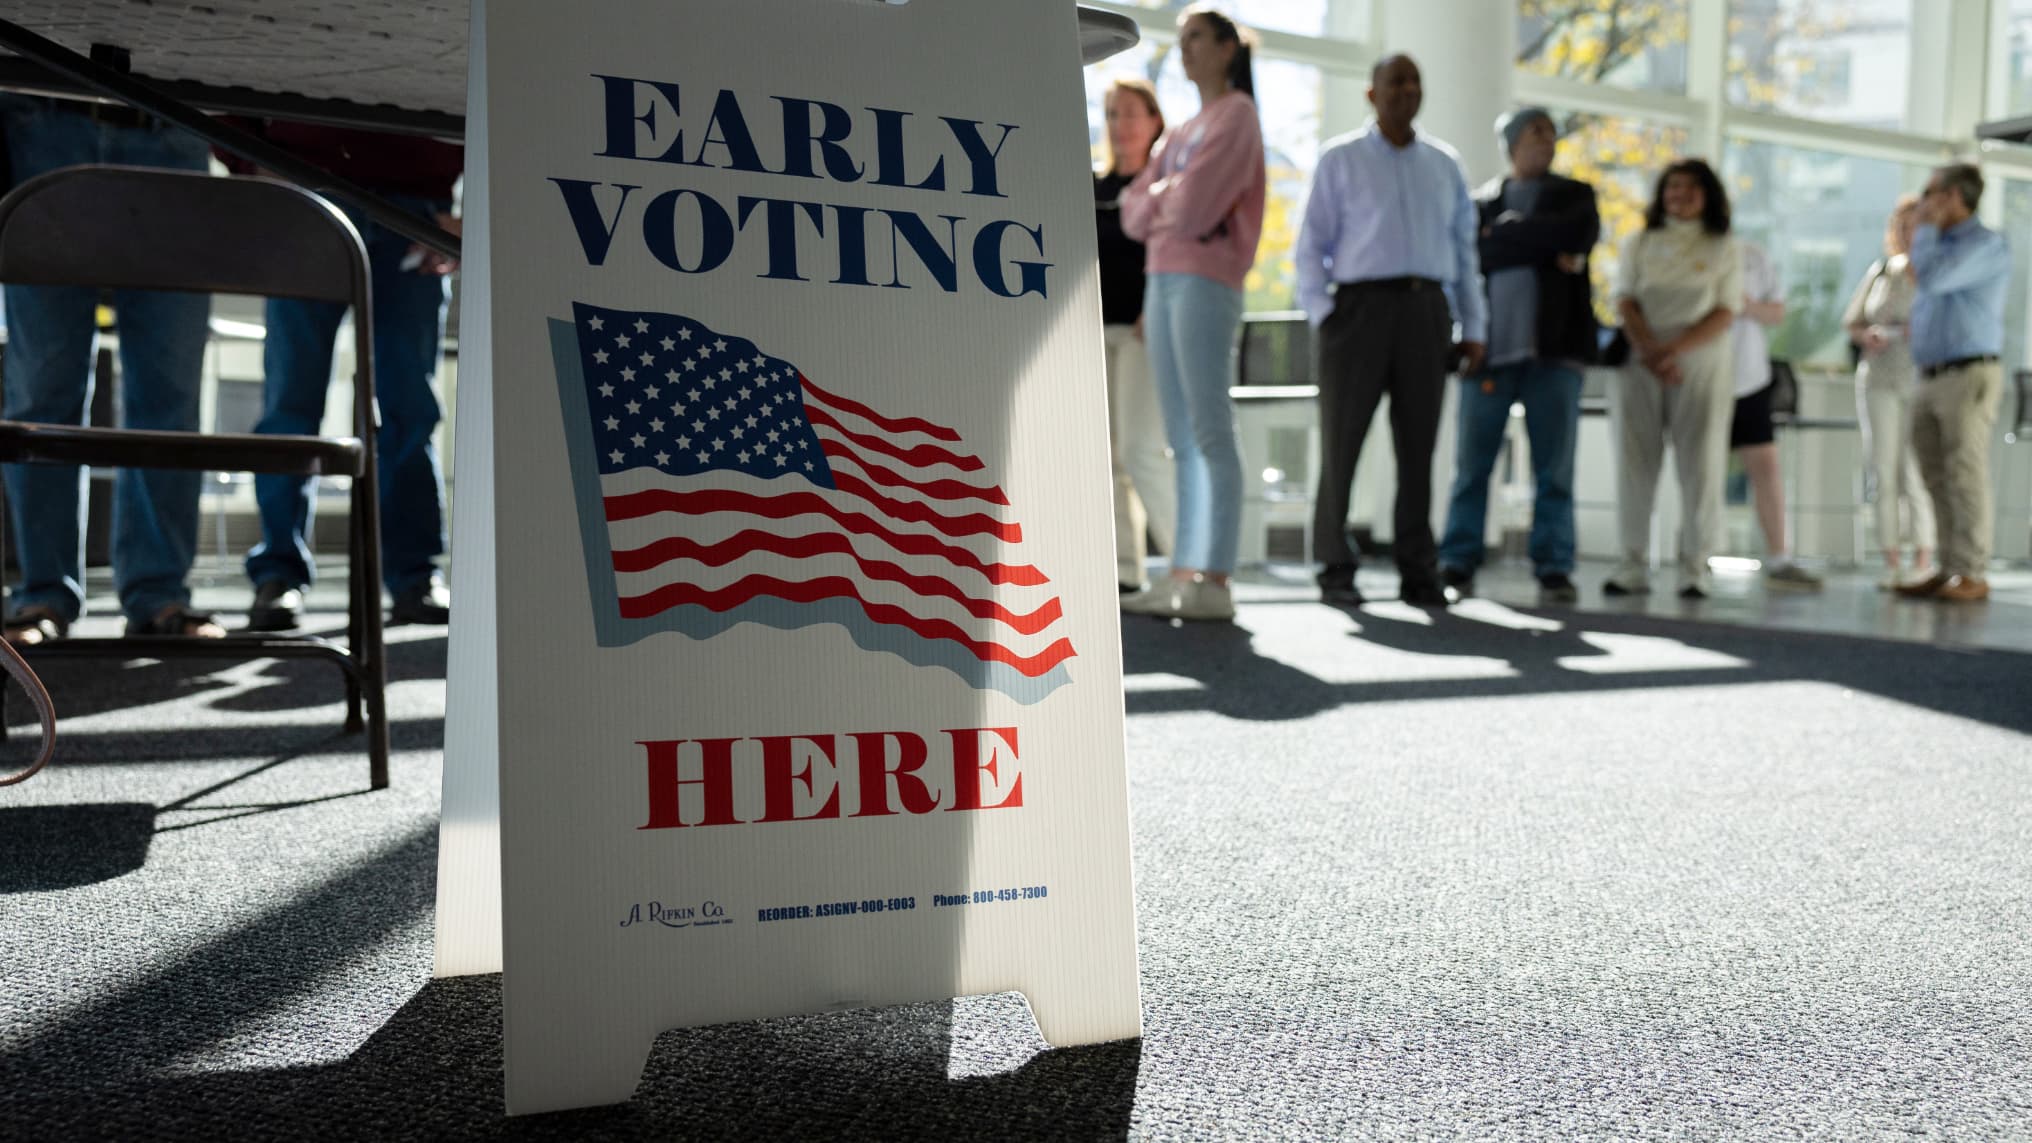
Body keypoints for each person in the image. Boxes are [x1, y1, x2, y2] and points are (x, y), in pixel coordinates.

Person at [0, 96, 224, 645]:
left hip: (172, 126)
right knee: (41, 390)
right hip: (44, 123)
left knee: (170, 395)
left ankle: (159, 593)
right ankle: (42, 593)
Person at [224, 124, 463, 630]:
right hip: (306, 191)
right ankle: (278, 574)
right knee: (291, 405)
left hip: (417, 207)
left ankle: (415, 575)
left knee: (410, 406)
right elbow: (220, 95)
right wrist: (252, 165)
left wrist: (478, 206)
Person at [1296, 54, 1486, 609]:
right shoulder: (1340, 159)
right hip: (1357, 314)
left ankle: (1418, 571)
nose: (1407, 89)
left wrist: (1473, 326)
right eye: (1395, 81)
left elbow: (1464, 253)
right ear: (1371, 94)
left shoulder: (1444, 165)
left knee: (1419, 449)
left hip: (1427, 313)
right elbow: (1310, 246)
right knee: (1342, 442)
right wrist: (1324, 315)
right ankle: (1335, 564)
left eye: (1414, 80)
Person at [1118, 6, 1265, 623]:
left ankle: (1217, 580)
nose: (1185, 50)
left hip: (1206, 280)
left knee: (1209, 428)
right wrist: (1166, 199)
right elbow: (1131, 212)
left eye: (1196, 38)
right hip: (1163, 278)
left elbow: (1197, 208)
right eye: (1180, 41)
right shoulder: (1181, 131)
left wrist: (1162, 201)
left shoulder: (1238, 116)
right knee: (1178, 435)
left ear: (1228, 48)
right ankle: (1182, 573)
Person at [1436, 107, 1597, 606]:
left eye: (1550, 131)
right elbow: (1471, 257)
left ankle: (1554, 567)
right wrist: (1543, 245)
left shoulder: (1576, 196)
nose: (1546, 139)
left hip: (1556, 356)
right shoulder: (1479, 203)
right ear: (1510, 144)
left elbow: (1575, 235)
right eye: (1534, 132)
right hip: (1487, 355)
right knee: (1472, 468)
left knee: (1555, 472)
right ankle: (1457, 561)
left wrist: (1507, 236)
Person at [1603, 159, 1742, 600]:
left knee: (1701, 464)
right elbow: (1624, 300)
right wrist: (1650, 350)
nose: (1680, 194)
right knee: (1634, 462)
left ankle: (1694, 566)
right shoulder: (1639, 242)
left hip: (1698, 363)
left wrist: (1673, 351)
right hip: (1640, 361)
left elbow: (1725, 310)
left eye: (1691, 187)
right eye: (1672, 186)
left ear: (1708, 195)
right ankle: (1631, 562)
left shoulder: (1723, 246)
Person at [1896, 162, 2008, 604]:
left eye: (1930, 193)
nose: (1923, 203)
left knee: (1964, 473)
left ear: (1953, 196)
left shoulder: (1985, 244)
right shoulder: (1937, 244)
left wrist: (1923, 229)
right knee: (1934, 474)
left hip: (1967, 374)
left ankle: (1973, 571)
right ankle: (1949, 567)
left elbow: (1934, 279)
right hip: (1929, 374)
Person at [1095, 78, 1176, 595]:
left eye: (1130, 113)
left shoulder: (1164, 186)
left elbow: (1173, 254)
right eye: (1112, 114)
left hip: (1144, 331)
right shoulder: (1091, 186)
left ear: (1154, 121)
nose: (1120, 124)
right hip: (1094, 333)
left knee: (1142, 450)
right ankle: (1125, 572)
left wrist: (1154, 308)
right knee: (1108, 455)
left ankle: (1192, 568)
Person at [1842, 196, 1935, 589]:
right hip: (1878, 378)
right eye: (1901, 226)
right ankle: (1891, 561)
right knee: (1882, 469)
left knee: (1914, 472)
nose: (1907, 233)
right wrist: (1867, 335)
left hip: (1919, 381)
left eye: (1914, 226)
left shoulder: (1939, 274)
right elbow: (1852, 322)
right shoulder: (1882, 271)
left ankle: (1924, 559)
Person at [1728, 242, 1822, 590]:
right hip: (1701, 378)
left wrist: (1744, 306)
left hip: (1750, 380)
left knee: (1766, 468)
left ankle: (1780, 558)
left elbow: (1777, 311)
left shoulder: (1753, 256)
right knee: (1699, 472)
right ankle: (1694, 557)